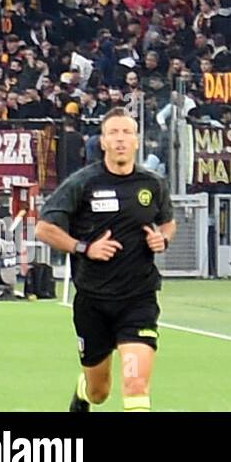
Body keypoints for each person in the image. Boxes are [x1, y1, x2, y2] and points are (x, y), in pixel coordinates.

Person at [36, 109, 176, 412]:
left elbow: (167, 222)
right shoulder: (83, 183)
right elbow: (44, 228)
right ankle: (82, 391)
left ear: (137, 141)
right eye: (113, 133)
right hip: (93, 301)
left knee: (136, 385)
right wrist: (84, 248)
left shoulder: (152, 184)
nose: (121, 139)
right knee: (100, 392)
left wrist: (162, 238)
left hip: (138, 299)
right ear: (103, 142)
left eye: (127, 133)